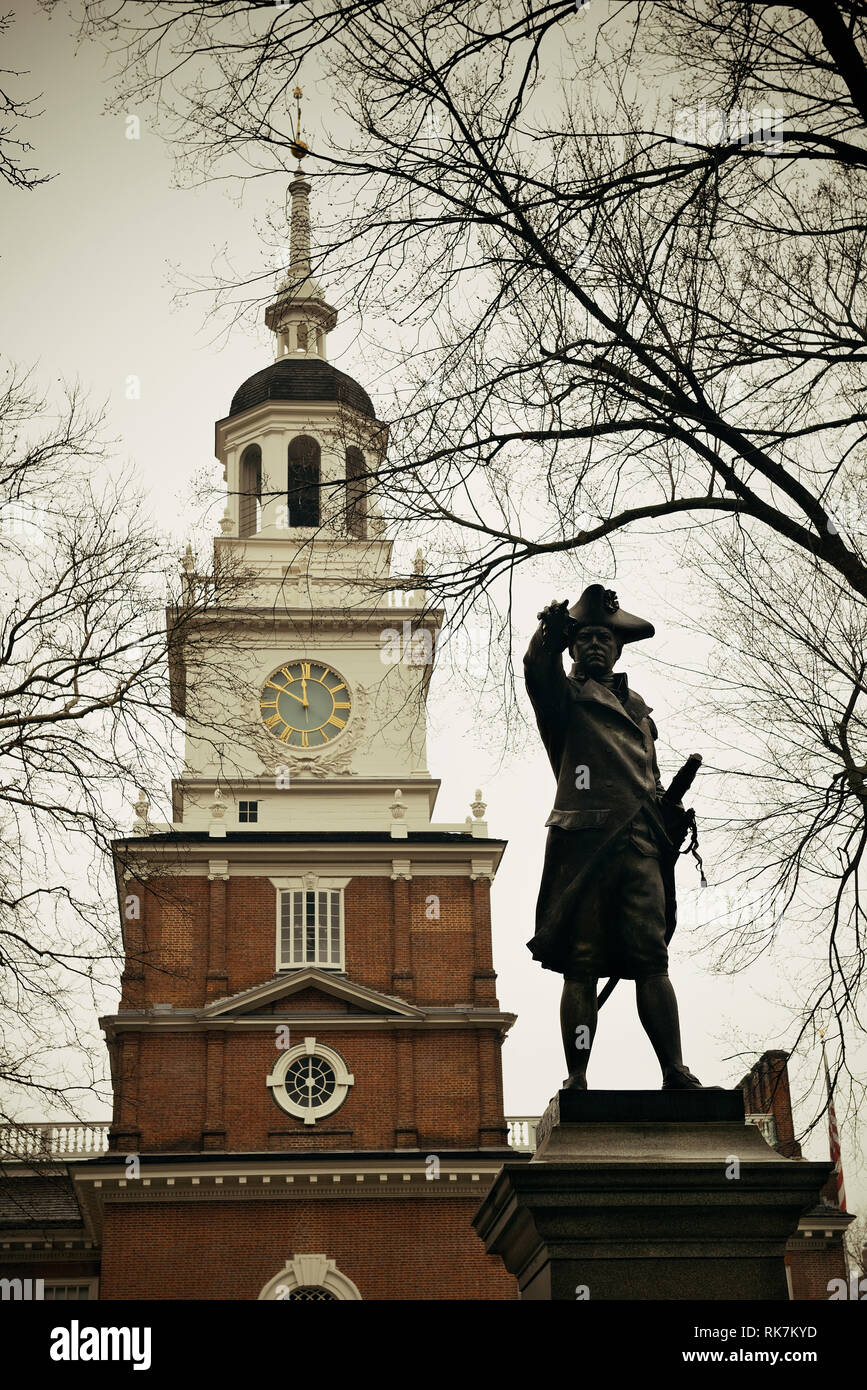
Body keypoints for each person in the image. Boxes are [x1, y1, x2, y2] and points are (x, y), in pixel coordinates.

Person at [524, 584, 706, 1090]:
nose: (596, 645)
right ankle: (577, 1077)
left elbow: (645, 778)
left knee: (652, 960)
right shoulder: (563, 698)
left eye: (606, 638)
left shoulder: (641, 711)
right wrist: (550, 634)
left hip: (642, 844)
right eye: (585, 638)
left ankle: (674, 1070)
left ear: (619, 648)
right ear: (574, 647)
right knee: (581, 967)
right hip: (586, 845)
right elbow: (537, 668)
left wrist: (668, 812)